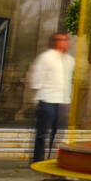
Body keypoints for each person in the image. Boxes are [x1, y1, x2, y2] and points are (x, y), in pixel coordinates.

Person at [27, 33, 73, 163]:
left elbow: (68, 81)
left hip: (63, 100)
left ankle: (53, 159)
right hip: (47, 98)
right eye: (61, 40)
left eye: (66, 40)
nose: (64, 42)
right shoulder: (46, 57)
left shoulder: (69, 60)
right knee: (42, 133)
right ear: (55, 41)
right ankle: (38, 160)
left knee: (58, 133)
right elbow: (37, 77)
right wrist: (36, 97)